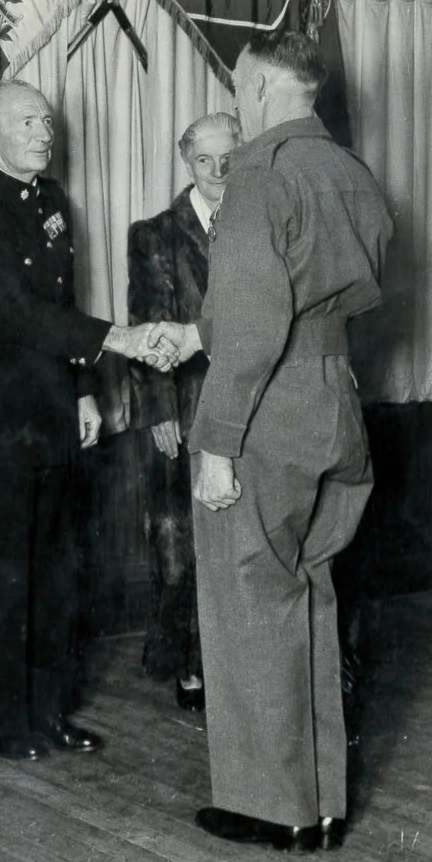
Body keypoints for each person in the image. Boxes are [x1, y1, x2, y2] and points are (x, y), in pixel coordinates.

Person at [152, 32, 392, 851]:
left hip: (265, 409)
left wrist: (215, 439)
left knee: (250, 601)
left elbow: (254, 322)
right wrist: (198, 332)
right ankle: (322, 801)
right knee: (313, 595)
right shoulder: (349, 171)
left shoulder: (258, 171)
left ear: (256, 88)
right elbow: (339, 290)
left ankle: (269, 806)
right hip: (337, 402)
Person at [0, 79, 173, 761]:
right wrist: (118, 339)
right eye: (27, 122)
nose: (44, 131)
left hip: (49, 412)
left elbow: (59, 307)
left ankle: (47, 711)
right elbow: (15, 315)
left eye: (46, 120)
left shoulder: (53, 204)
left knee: (53, 574)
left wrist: (82, 395)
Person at [127, 112, 240, 711]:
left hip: (249, 400)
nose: (219, 172)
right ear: (185, 161)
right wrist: (158, 409)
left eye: (229, 159)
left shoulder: (258, 220)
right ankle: (190, 665)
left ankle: (232, 660)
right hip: (187, 404)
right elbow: (147, 326)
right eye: (205, 161)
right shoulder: (155, 234)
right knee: (180, 542)